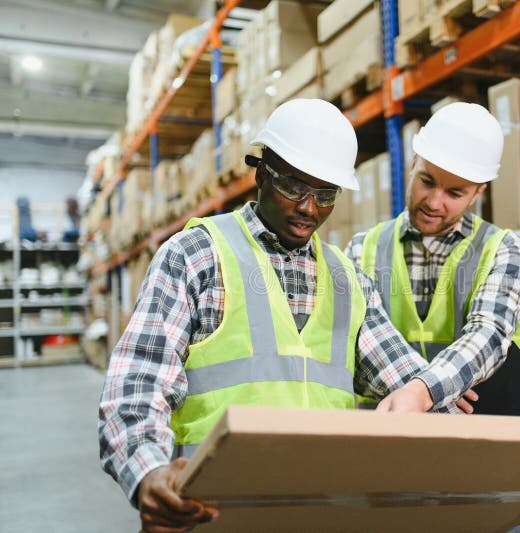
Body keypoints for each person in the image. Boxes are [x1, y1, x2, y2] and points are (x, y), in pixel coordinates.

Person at [98, 99, 470, 533]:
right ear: (260, 172)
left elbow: (413, 388)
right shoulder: (196, 256)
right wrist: (150, 475)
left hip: (325, 517)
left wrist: (514, 481)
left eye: (326, 194)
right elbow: (137, 387)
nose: (309, 209)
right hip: (214, 515)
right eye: (293, 187)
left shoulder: (349, 280)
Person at [346, 102, 520, 525]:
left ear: (479, 192)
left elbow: (489, 335)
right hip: (390, 467)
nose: (434, 202)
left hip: (486, 466)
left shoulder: (502, 250)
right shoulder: (361, 250)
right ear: (413, 162)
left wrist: (422, 394)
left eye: (455, 193)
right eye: (427, 181)